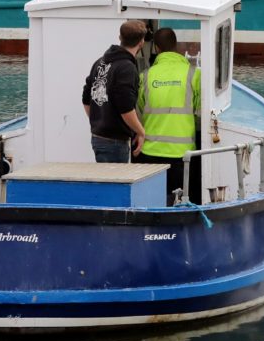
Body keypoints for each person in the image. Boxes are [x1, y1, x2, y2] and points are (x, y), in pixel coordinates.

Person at [137, 26, 203, 203]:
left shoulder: (145, 75)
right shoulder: (193, 74)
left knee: (151, 202)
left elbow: (139, 110)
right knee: (181, 202)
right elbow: (200, 112)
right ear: (177, 46)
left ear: (156, 48)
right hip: (182, 155)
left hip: (150, 152)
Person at [82, 19, 148, 163]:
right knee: (116, 181)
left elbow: (86, 99)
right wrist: (141, 131)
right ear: (142, 42)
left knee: (107, 182)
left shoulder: (100, 62)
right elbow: (126, 109)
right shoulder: (127, 68)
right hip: (115, 142)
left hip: (98, 137)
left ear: (120, 38)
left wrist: (99, 120)